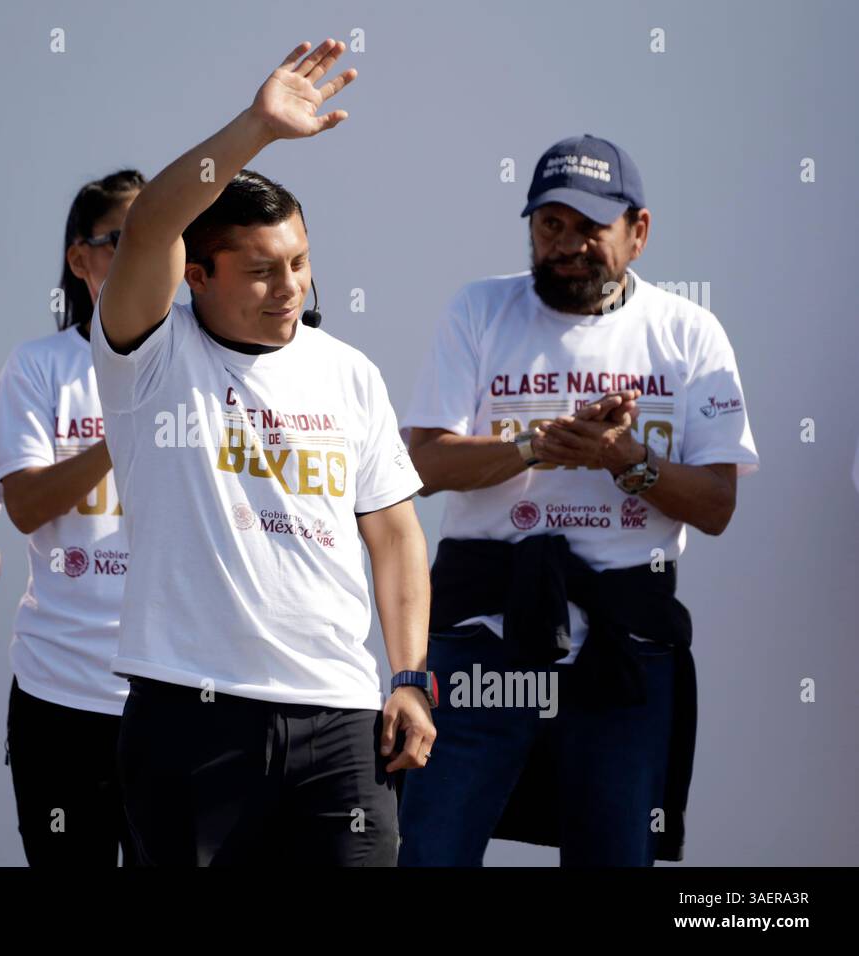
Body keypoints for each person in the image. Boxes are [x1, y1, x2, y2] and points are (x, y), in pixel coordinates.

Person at [93, 40, 434, 866]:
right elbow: (149, 225)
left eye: (300, 263)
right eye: (260, 271)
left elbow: (393, 536)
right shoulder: (150, 354)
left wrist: (410, 678)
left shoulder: (350, 372)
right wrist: (255, 127)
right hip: (192, 721)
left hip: (342, 725)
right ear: (196, 277)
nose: (289, 288)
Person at [397, 134, 760, 866]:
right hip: (484, 639)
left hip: (623, 646)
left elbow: (717, 505)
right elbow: (424, 464)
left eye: (589, 227)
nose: (567, 245)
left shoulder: (688, 333)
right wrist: (538, 447)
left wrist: (628, 461)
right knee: (430, 851)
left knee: (614, 856)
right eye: (549, 225)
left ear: (639, 231)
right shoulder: (479, 310)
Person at [0, 169, 146, 866]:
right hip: (59, 696)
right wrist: (120, 437)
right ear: (80, 259)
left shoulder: (206, 363)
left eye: (159, 236)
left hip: (174, 697)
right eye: (123, 240)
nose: (145, 255)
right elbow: (23, 505)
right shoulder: (38, 366)